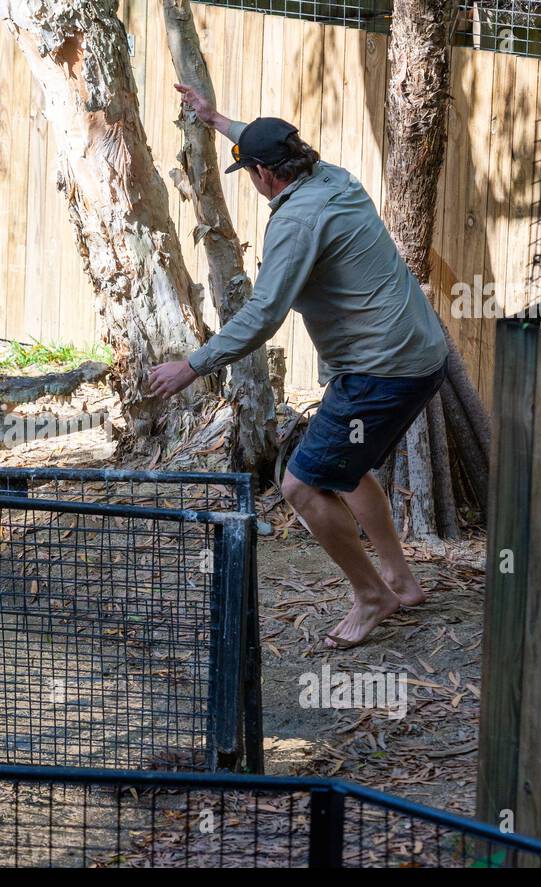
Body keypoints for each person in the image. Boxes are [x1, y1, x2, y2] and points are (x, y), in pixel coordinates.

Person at [148, 84, 450, 649]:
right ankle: (401, 581)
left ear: (266, 175)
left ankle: (372, 596)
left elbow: (263, 314)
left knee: (303, 484)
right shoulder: (331, 176)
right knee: (344, 466)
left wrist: (193, 365)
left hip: (381, 370)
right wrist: (216, 120)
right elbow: (259, 142)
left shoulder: (294, 224)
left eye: (254, 173)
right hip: (419, 352)